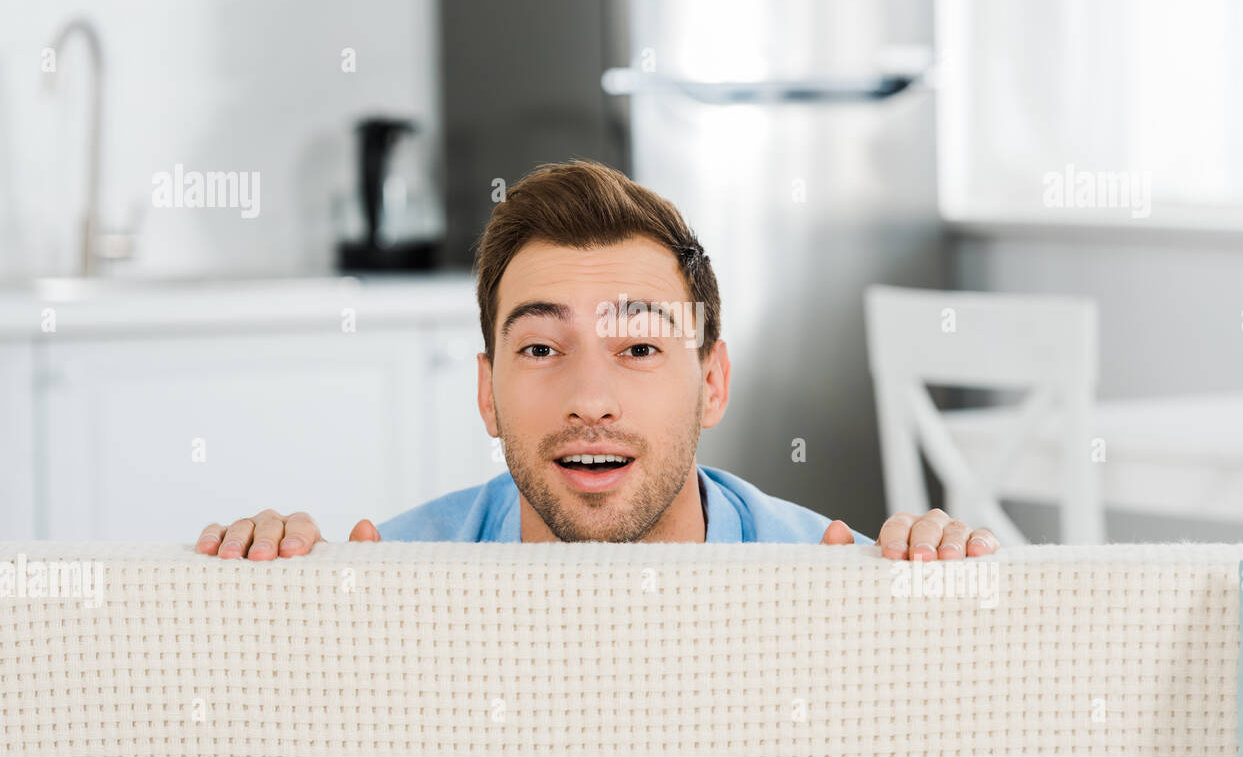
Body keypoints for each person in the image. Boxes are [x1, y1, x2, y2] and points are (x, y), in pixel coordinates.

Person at [195, 160, 999, 559]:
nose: (590, 399)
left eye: (641, 347)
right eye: (541, 348)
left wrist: (946, 621)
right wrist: (262, 613)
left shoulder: (829, 578)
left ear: (711, 382)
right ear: (487, 392)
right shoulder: (391, 576)